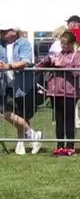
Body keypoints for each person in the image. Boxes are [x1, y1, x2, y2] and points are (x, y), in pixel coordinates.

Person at [38, 29, 80, 156]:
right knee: (59, 120)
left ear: (72, 44)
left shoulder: (77, 56)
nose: (63, 46)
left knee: (69, 120)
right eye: (62, 44)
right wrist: (45, 64)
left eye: (65, 44)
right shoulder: (59, 54)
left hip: (69, 93)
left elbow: (78, 72)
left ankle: (70, 146)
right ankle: (59, 146)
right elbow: (50, 64)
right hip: (56, 92)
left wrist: (63, 65)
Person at [0, 26, 43, 154]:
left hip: (22, 85)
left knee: (21, 115)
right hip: (5, 84)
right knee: (5, 112)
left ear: (13, 32)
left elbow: (26, 61)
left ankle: (21, 143)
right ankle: (33, 135)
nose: (0, 33)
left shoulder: (24, 44)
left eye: (3, 31)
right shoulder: (1, 44)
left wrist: (9, 66)